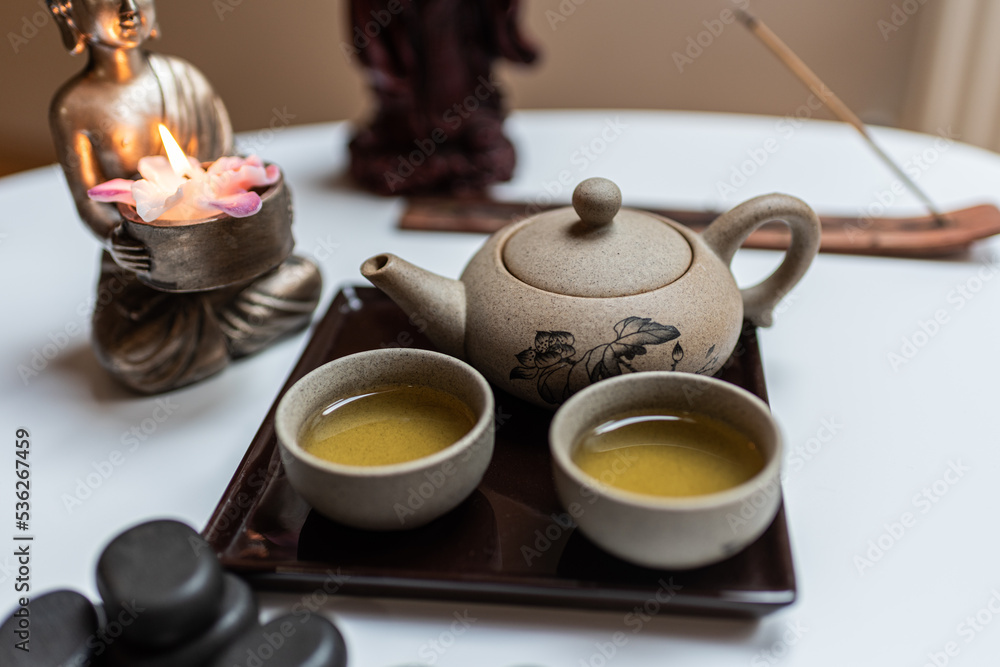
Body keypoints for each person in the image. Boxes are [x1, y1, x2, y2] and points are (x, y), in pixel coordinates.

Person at [49, 0, 321, 394]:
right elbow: (89, 199)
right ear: (68, 13)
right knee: (126, 353)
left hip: (223, 248)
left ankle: (198, 339)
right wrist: (115, 239)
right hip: (143, 262)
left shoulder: (185, 79)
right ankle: (224, 332)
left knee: (305, 279)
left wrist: (271, 205)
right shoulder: (73, 107)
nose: (129, 8)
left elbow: (227, 164)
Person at [347, 0, 538, 194]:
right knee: (398, 138)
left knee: (482, 138)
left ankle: (458, 150)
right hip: (410, 105)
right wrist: (392, 79)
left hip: (465, 91)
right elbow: (370, 39)